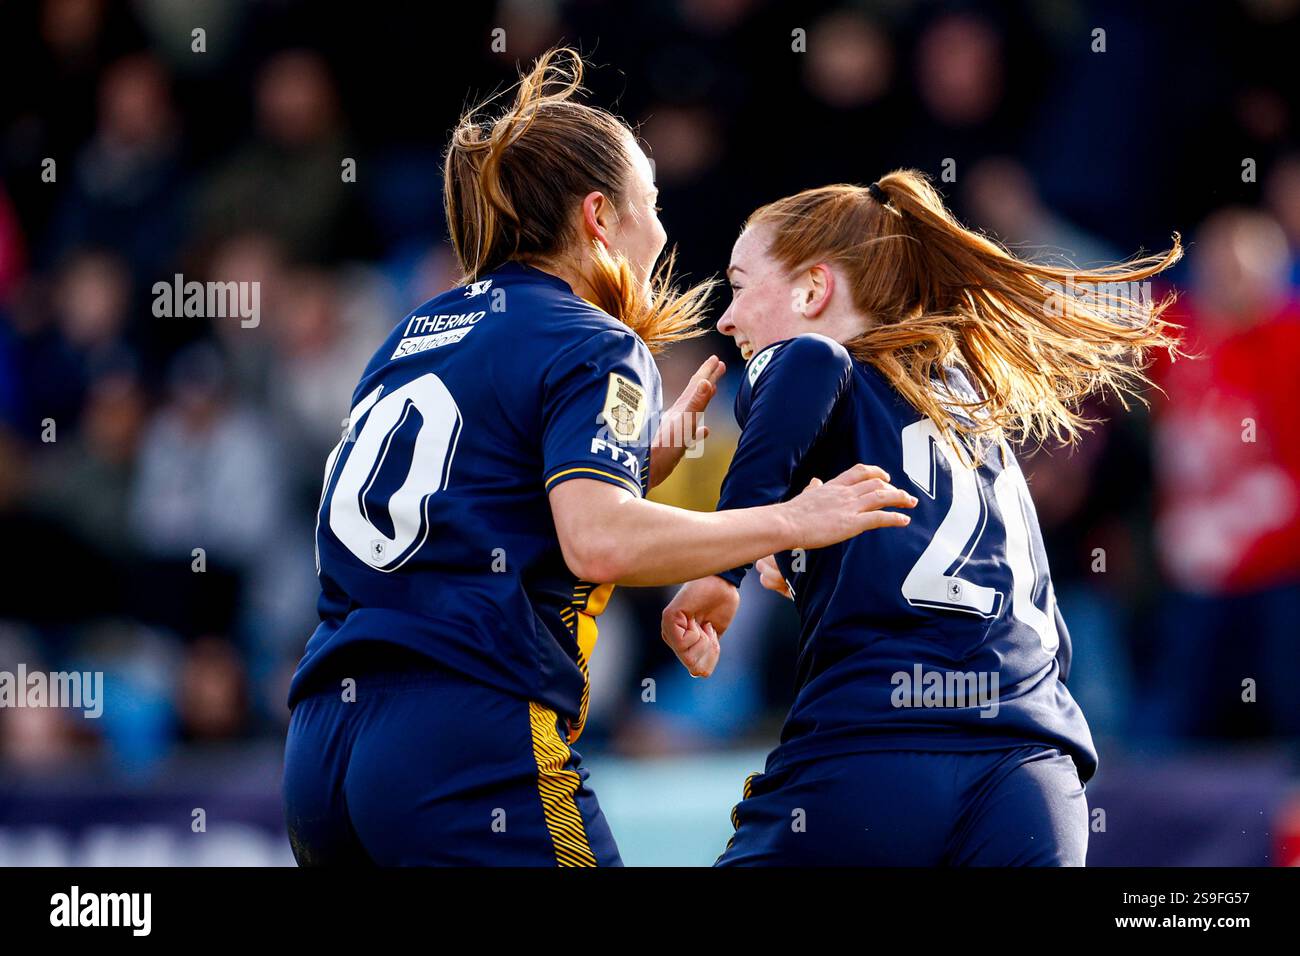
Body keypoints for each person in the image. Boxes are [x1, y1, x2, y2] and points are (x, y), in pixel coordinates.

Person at [281, 49, 916, 867]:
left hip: (323, 748)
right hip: (465, 736)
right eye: (648, 203)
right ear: (597, 217)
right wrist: (791, 518)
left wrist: (633, 463)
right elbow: (598, 543)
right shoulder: (593, 339)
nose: (661, 229)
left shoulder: (415, 332)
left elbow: (473, 507)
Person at [663, 174, 1181, 865]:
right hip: (1035, 766)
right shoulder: (971, 406)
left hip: (877, 746)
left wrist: (720, 569)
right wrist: (800, 554)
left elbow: (804, 381)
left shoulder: (809, 354)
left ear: (813, 292)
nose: (726, 321)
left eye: (738, 284)